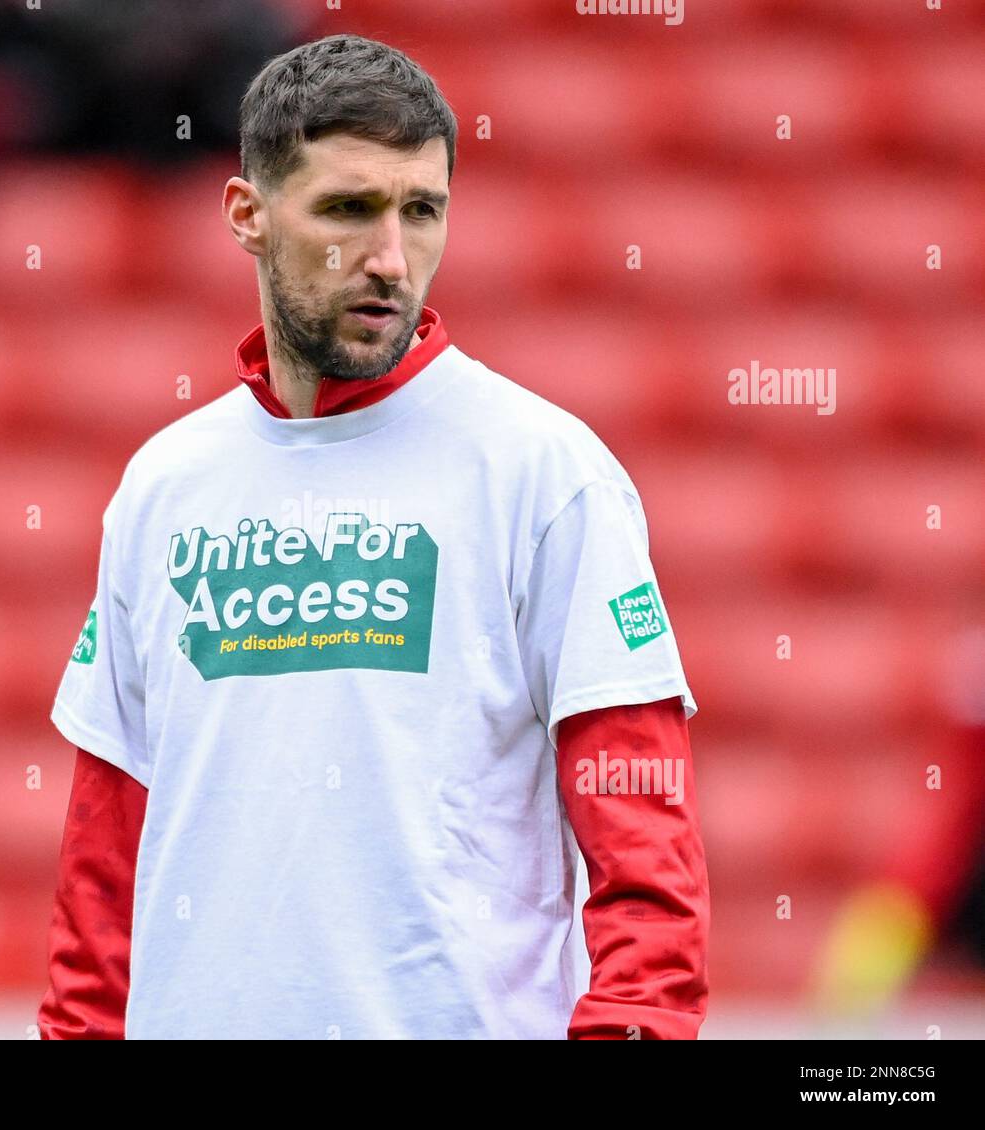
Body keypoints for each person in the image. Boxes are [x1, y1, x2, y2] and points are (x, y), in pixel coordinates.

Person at [38, 32, 709, 1040]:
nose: (391, 259)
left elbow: (642, 829)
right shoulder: (162, 487)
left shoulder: (541, 471)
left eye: (421, 210)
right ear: (248, 217)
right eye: (349, 210)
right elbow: (106, 851)